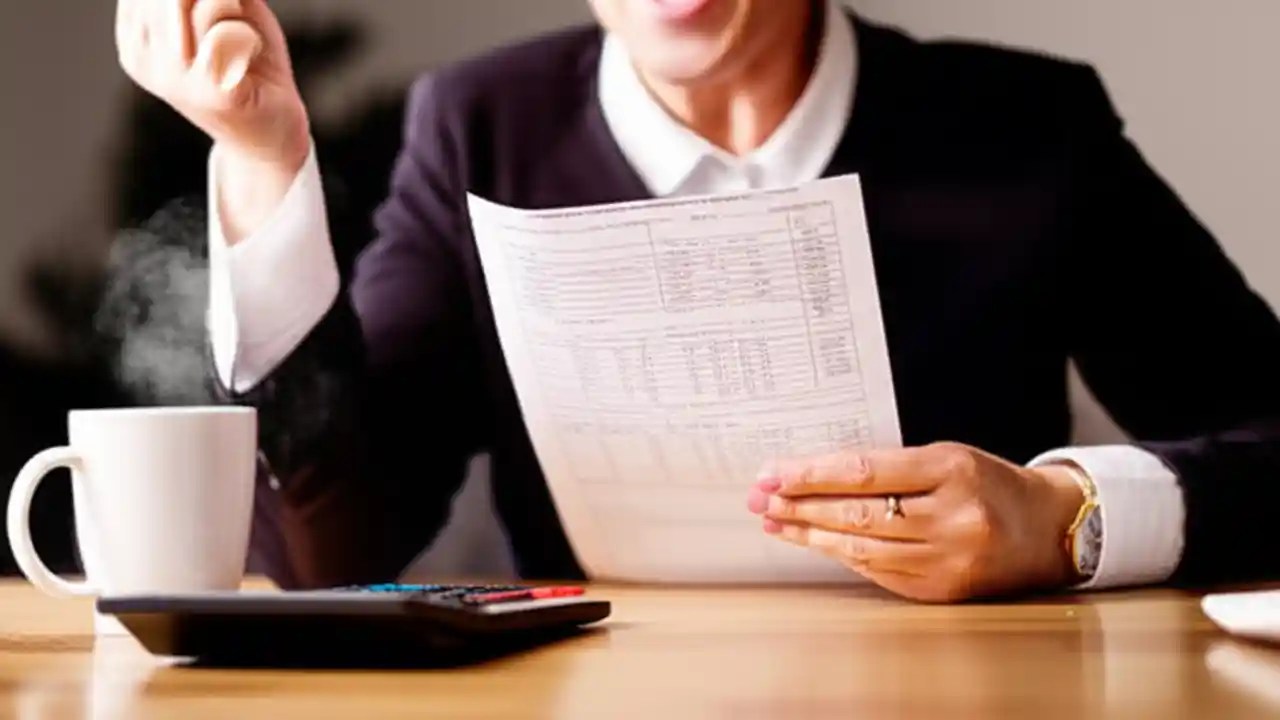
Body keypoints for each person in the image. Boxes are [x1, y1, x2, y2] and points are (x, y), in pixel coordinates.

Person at [112, 0, 1280, 601]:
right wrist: (262, 156)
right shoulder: (479, 128)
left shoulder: (1026, 127)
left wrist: (1065, 520)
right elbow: (331, 553)